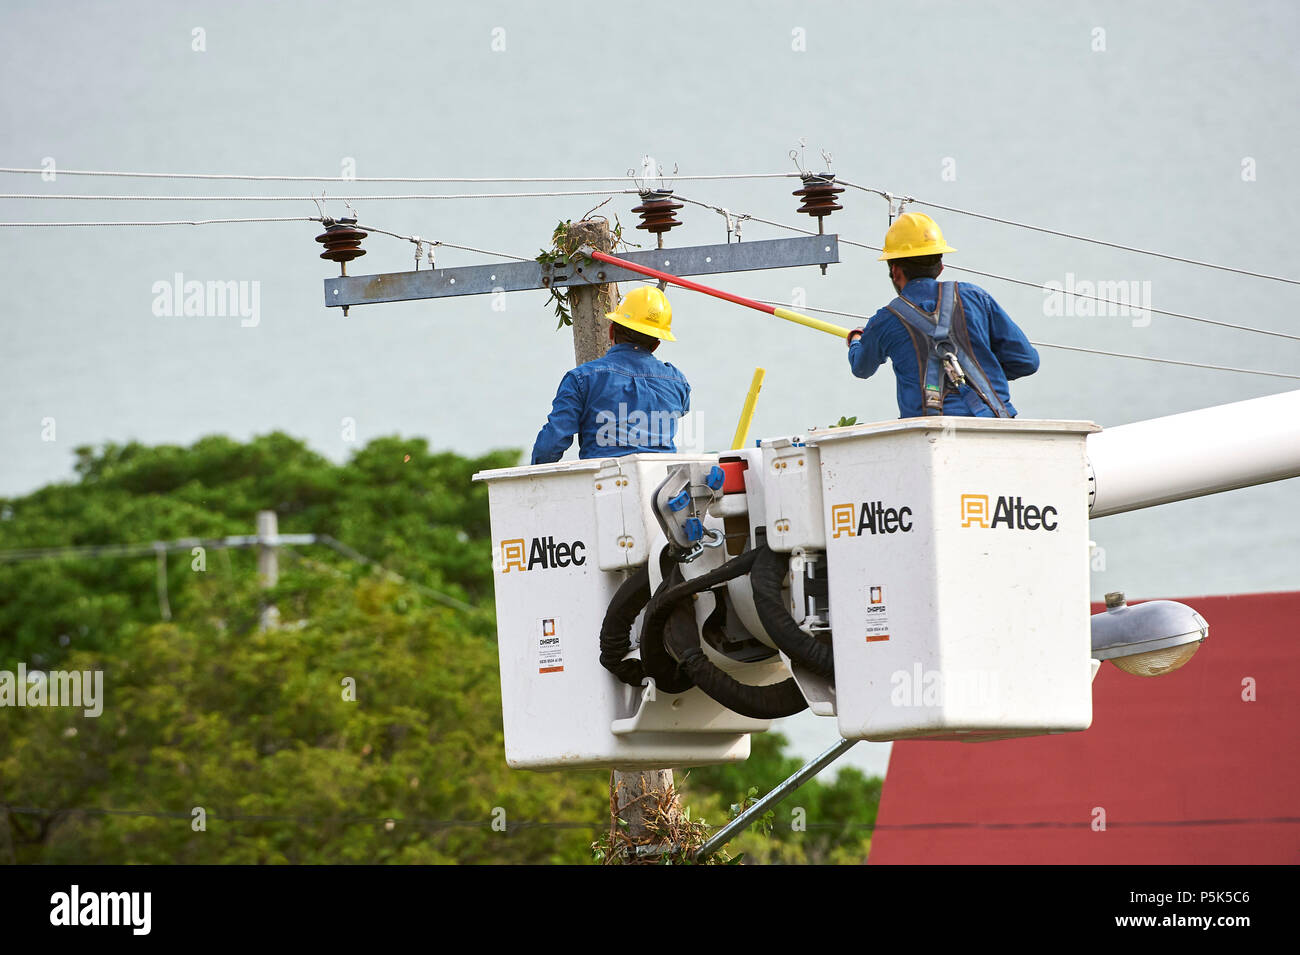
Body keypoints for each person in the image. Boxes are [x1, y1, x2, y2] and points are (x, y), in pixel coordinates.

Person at [846, 212, 1039, 418]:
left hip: (931, 432)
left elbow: (861, 368)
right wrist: (980, 372)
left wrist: (856, 339)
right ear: (940, 268)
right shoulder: (974, 297)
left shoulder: (886, 320)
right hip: (995, 423)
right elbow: (1026, 361)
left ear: (895, 271)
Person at [531, 286, 690, 464]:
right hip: (663, 485)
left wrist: (534, 481)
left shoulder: (581, 379)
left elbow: (551, 444)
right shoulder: (678, 382)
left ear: (611, 331)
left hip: (604, 485)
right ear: (655, 345)